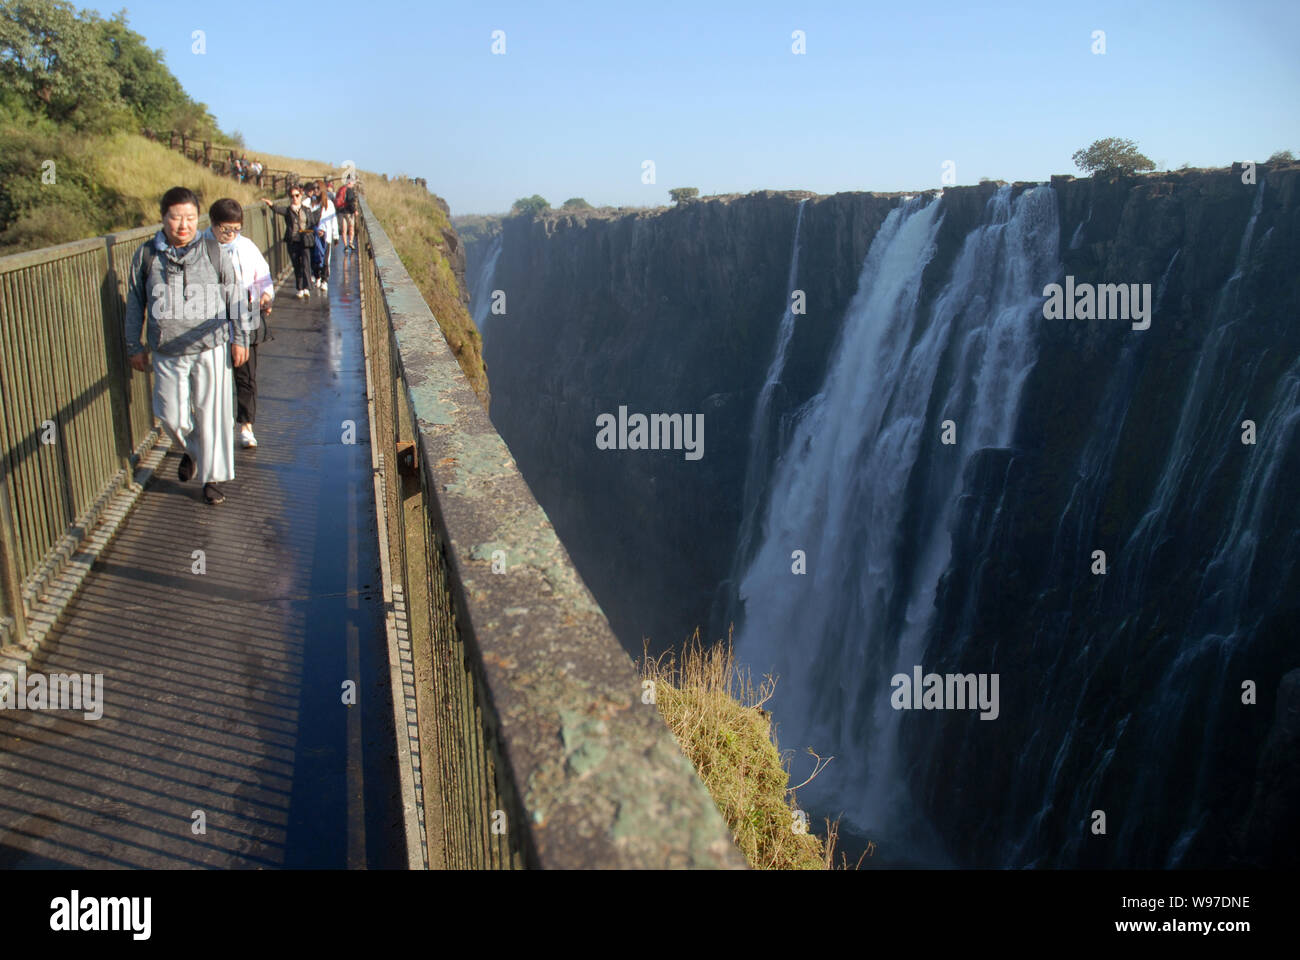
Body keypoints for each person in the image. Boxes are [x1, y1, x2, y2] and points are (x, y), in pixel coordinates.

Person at [124, 186, 249, 505]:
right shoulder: (146, 254)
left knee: (213, 416)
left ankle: (213, 478)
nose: (183, 225)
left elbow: (235, 297)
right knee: (170, 414)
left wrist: (240, 337)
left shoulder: (213, 250)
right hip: (167, 348)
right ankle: (195, 450)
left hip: (211, 345)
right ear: (163, 218)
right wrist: (133, 344)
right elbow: (136, 301)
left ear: (198, 219)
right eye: (176, 217)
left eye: (190, 218)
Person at [205, 198, 273, 450]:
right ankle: (215, 429)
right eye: (226, 229)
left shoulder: (246, 247)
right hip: (211, 323)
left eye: (236, 229)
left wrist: (266, 294)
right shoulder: (200, 247)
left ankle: (246, 426)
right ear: (212, 224)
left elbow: (263, 275)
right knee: (214, 379)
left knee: (246, 375)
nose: (231, 234)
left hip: (245, 317)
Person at [263, 184, 318, 299]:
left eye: (297, 195)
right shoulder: (288, 210)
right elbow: (277, 209)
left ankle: (307, 287)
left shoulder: (306, 210)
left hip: (305, 240)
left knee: (306, 263)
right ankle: (300, 288)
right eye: (292, 196)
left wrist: (314, 231)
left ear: (301, 195)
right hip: (292, 240)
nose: (294, 198)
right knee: (296, 264)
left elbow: (312, 222)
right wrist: (270, 204)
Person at [310, 178, 337, 292]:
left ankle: (325, 280)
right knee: (315, 257)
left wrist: (335, 235)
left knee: (325, 259)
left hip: (326, 236)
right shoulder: (311, 203)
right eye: (313, 188)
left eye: (317, 188)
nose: (315, 190)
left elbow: (333, 220)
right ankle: (317, 277)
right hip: (315, 235)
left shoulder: (329, 204)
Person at [336, 175, 359, 251]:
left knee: (344, 230)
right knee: (351, 228)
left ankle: (345, 246)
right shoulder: (350, 190)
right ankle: (351, 242)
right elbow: (351, 201)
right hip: (349, 212)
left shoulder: (342, 189)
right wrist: (355, 210)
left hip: (341, 212)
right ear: (350, 182)